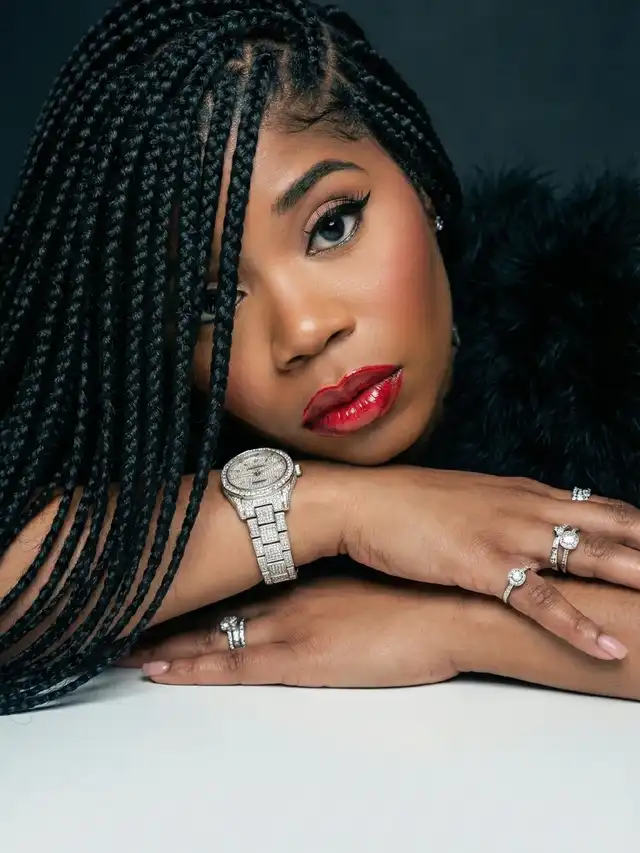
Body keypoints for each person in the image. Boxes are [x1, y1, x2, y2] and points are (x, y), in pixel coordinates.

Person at [2, 0, 640, 715]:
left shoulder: (612, 317)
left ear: (418, 178)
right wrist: (336, 508)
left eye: (332, 226)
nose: (304, 330)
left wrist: (451, 626)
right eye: (209, 303)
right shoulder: (153, 431)